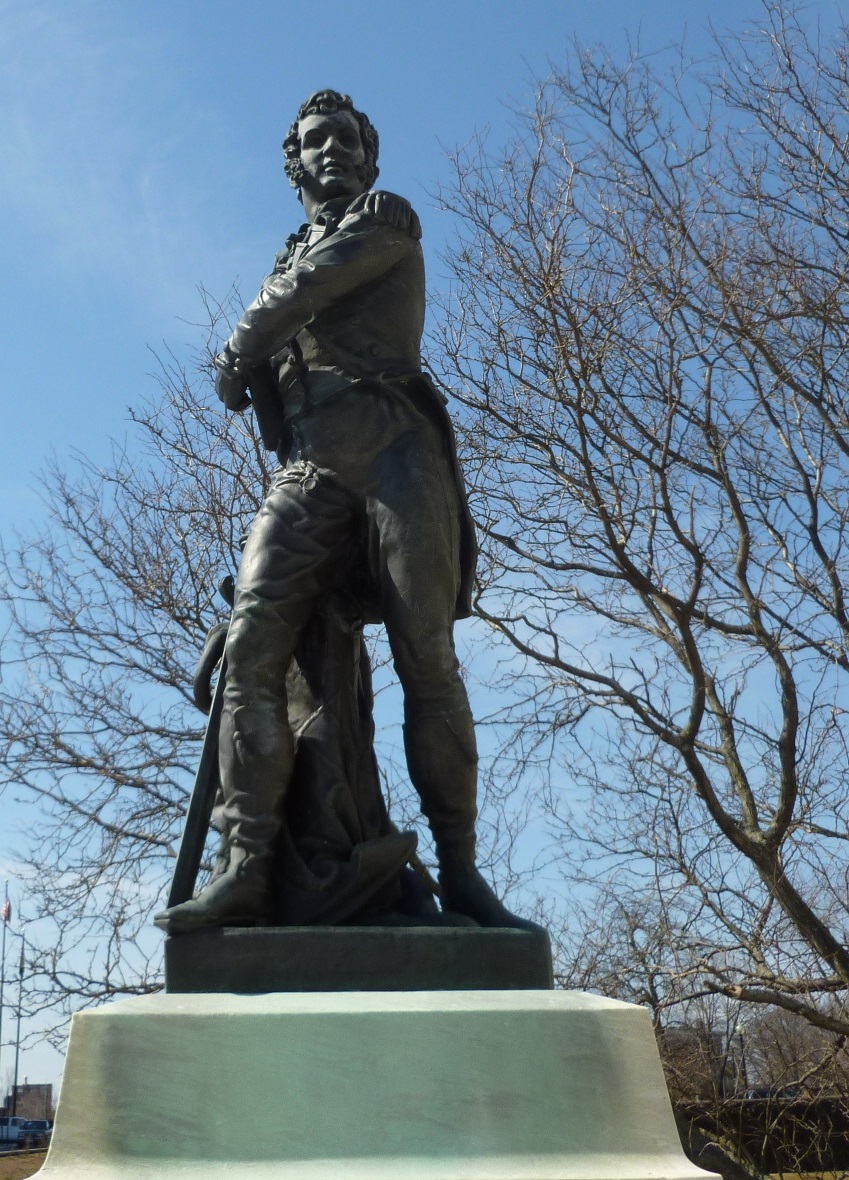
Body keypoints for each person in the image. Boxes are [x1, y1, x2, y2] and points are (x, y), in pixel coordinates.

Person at [156, 90, 538, 934]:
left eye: (346, 138)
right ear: (295, 162)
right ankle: (247, 865)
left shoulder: (383, 217)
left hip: (397, 452)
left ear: (368, 154)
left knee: (426, 660)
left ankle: (462, 873)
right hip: (311, 467)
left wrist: (238, 346)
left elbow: (308, 290)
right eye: (315, 140)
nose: (331, 150)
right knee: (253, 645)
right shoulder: (288, 250)